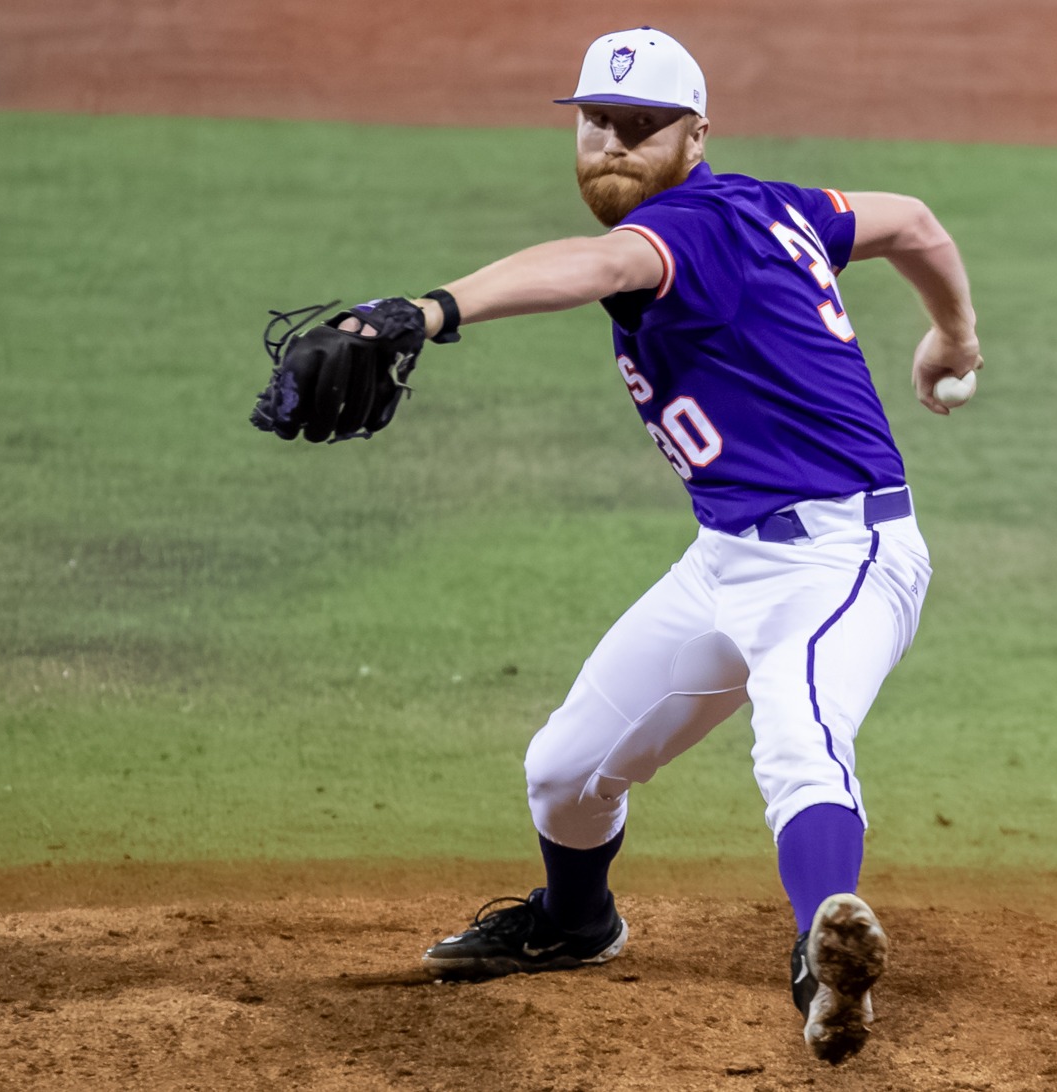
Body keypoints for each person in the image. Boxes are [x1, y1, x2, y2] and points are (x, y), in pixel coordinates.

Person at [363, 27, 980, 1063]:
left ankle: (824, 950)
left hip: (842, 559)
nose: (612, 145)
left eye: (642, 128)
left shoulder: (683, 227)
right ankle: (575, 923)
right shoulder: (780, 207)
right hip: (725, 560)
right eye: (598, 123)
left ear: (696, 135)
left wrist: (433, 311)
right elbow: (910, 219)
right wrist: (954, 335)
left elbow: (600, 263)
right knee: (563, 770)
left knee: (799, 743)